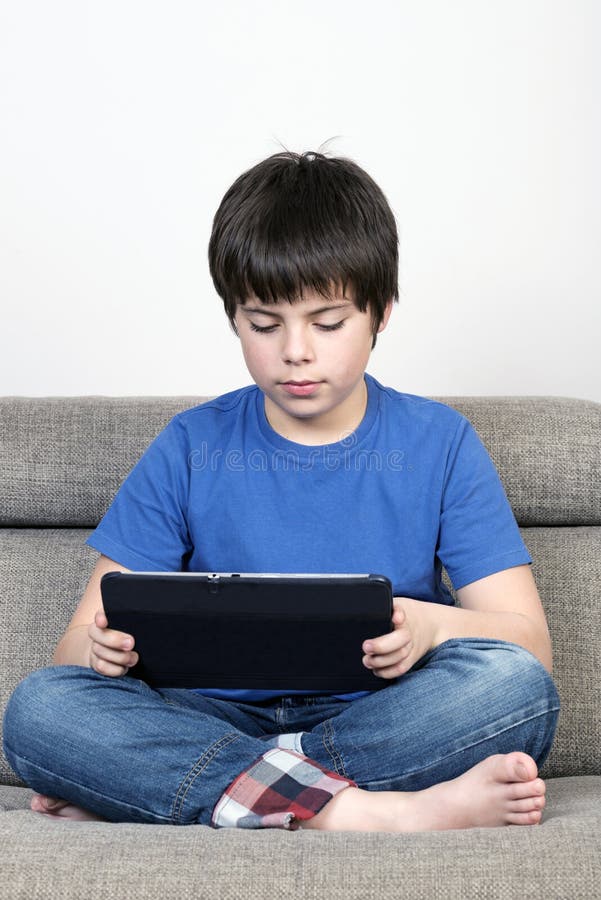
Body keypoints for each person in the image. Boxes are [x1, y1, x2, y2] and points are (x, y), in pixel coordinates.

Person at [2, 149, 560, 832]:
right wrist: (98, 649)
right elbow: (72, 651)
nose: (295, 351)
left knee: (517, 692)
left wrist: (430, 625)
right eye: (264, 324)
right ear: (233, 317)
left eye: (327, 323)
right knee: (42, 707)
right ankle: (359, 811)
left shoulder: (440, 442)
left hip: (374, 713)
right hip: (205, 712)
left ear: (381, 312)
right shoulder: (188, 444)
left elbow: (527, 646)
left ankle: (215, 787)